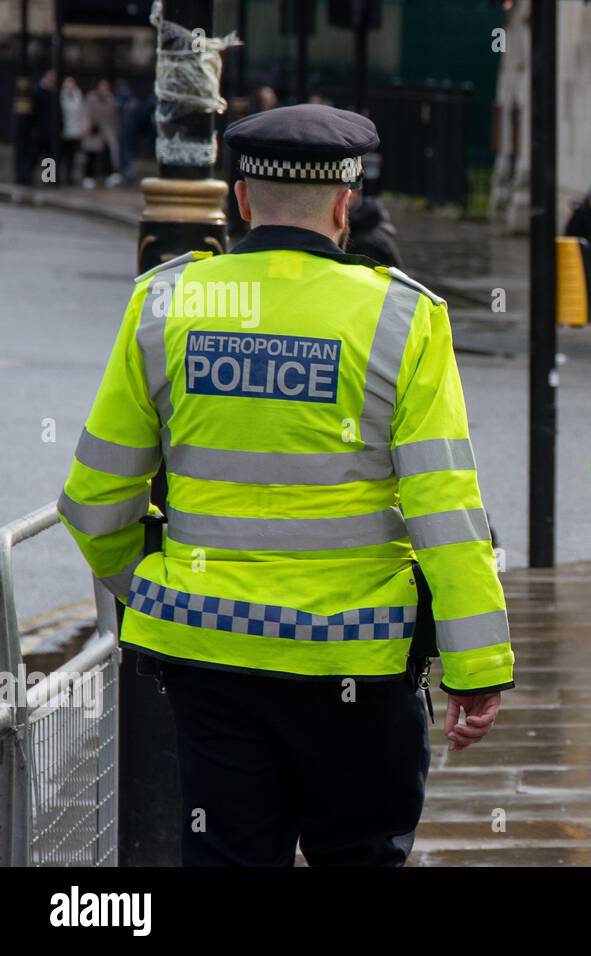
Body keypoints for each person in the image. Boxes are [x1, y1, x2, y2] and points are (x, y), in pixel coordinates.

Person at [57, 104, 514, 866]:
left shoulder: (166, 303)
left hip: (208, 652)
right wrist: (476, 665)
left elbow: (96, 496)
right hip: (356, 661)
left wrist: (147, 589)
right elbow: (445, 509)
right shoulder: (402, 320)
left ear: (240, 200)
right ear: (345, 204)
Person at [81, 78, 120, 188]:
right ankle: (89, 177)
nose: (104, 89)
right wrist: (87, 127)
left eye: (106, 86)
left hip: (106, 131)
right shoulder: (91, 98)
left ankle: (109, 176)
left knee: (107, 154)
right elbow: (87, 113)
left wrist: (114, 130)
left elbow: (113, 117)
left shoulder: (110, 99)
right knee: (91, 155)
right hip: (94, 130)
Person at [58, 76, 85, 187]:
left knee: (72, 157)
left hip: (75, 131)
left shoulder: (78, 95)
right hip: (63, 131)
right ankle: (51, 177)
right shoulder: (61, 96)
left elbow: (81, 113)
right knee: (59, 156)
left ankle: (69, 177)